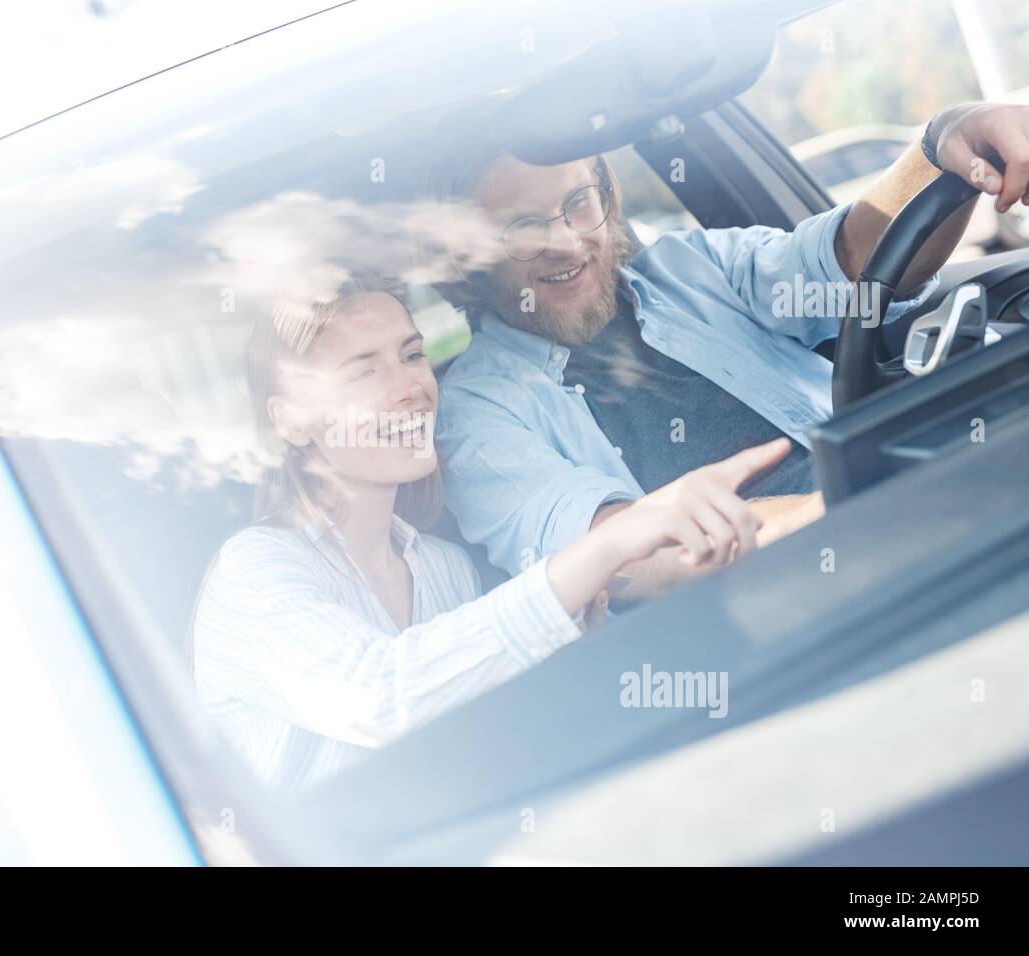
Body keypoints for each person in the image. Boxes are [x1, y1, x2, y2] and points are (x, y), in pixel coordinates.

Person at [190, 272, 790, 793]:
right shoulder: (254, 572)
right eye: (361, 372)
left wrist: (569, 652)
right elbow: (382, 697)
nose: (409, 387)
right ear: (290, 418)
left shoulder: (442, 568)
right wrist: (607, 544)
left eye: (410, 354)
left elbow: (490, 745)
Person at [431, 101, 1029, 601]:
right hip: (778, 614)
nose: (565, 243)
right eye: (523, 228)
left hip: (922, 529)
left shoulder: (692, 269)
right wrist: (874, 505)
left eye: (578, 204)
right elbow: (617, 554)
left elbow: (848, 260)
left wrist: (949, 140)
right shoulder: (477, 415)